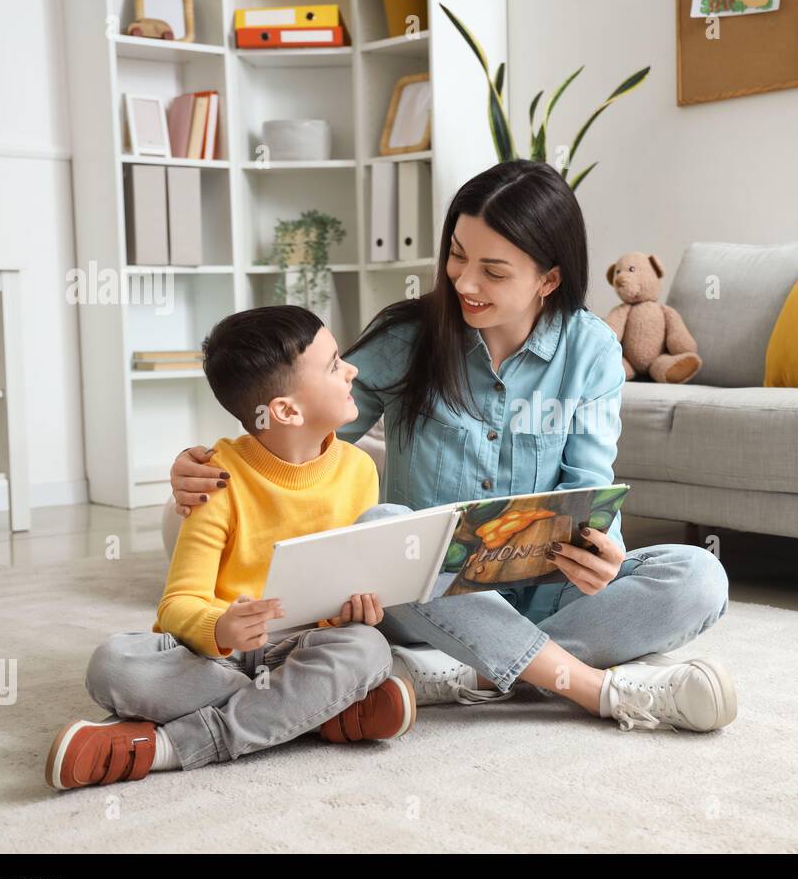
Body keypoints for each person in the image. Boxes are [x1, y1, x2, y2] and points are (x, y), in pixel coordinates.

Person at [168, 159, 736, 733]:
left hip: (548, 596)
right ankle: (588, 686)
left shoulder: (589, 350)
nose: (464, 281)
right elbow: (297, 435)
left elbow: (588, 485)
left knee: (698, 575)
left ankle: (467, 674)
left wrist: (604, 553)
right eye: (458, 255)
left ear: (549, 279)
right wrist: (207, 467)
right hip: (423, 604)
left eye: (493, 270)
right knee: (386, 523)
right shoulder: (408, 339)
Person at [46, 306, 416, 790]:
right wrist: (219, 626)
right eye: (333, 365)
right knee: (111, 665)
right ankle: (304, 711)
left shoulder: (359, 469)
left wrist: (359, 610)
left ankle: (170, 747)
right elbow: (178, 603)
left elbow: (351, 584)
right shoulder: (216, 478)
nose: (352, 371)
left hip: (306, 648)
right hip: (213, 659)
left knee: (368, 650)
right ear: (285, 410)